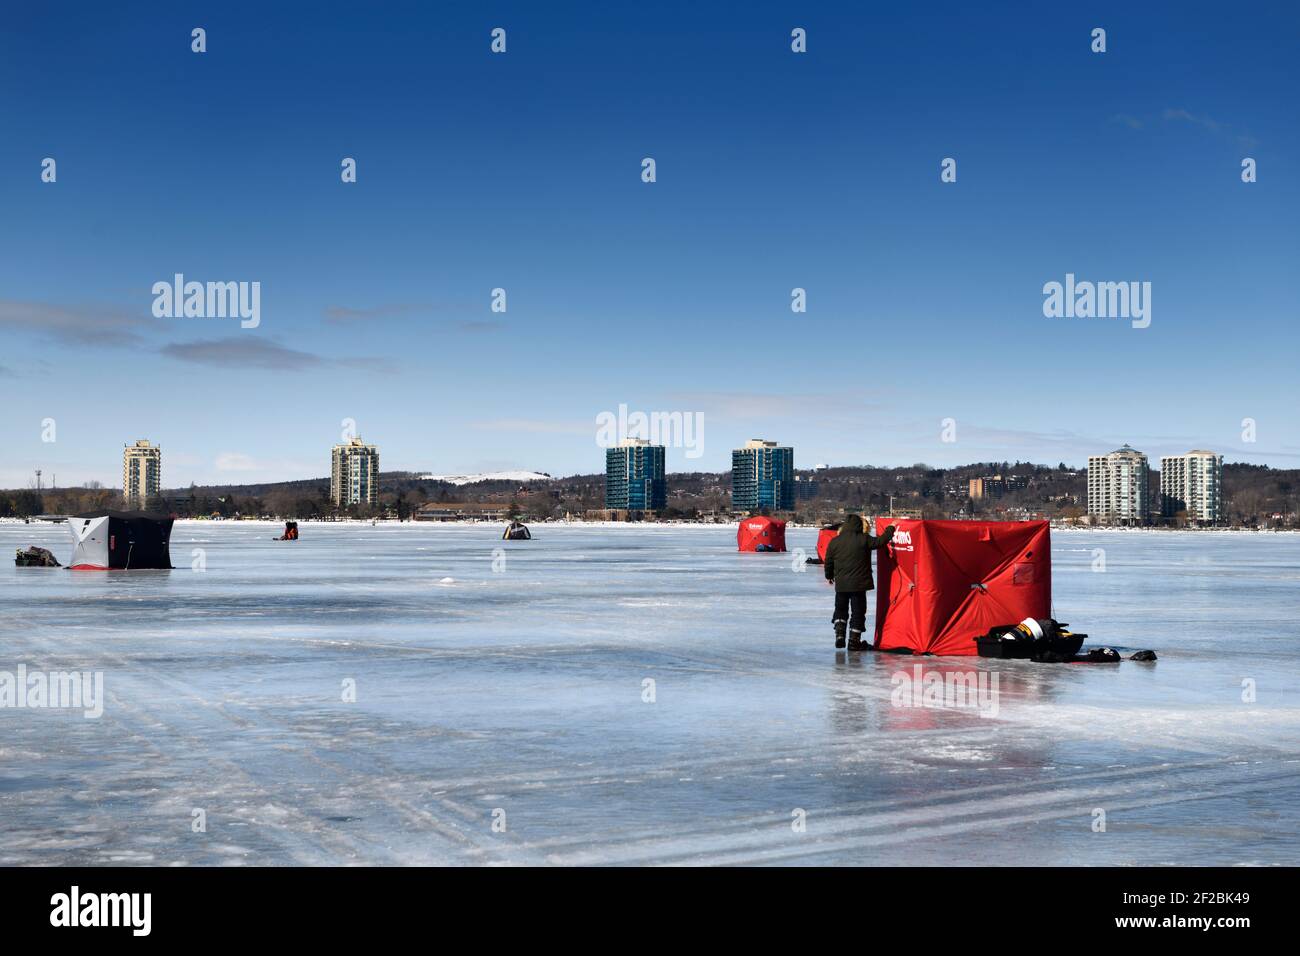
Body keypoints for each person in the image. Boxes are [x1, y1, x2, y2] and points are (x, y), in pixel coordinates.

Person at [823, 514, 895, 650]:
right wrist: (891, 528)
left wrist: (829, 576)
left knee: (840, 609)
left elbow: (829, 561)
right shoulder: (864, 539)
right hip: (859, 585)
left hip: (842, 585)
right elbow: (881, 541)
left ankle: (839, 635)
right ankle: (854, 641)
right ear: (858, 526)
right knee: (858, 612)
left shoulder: (835, 541)